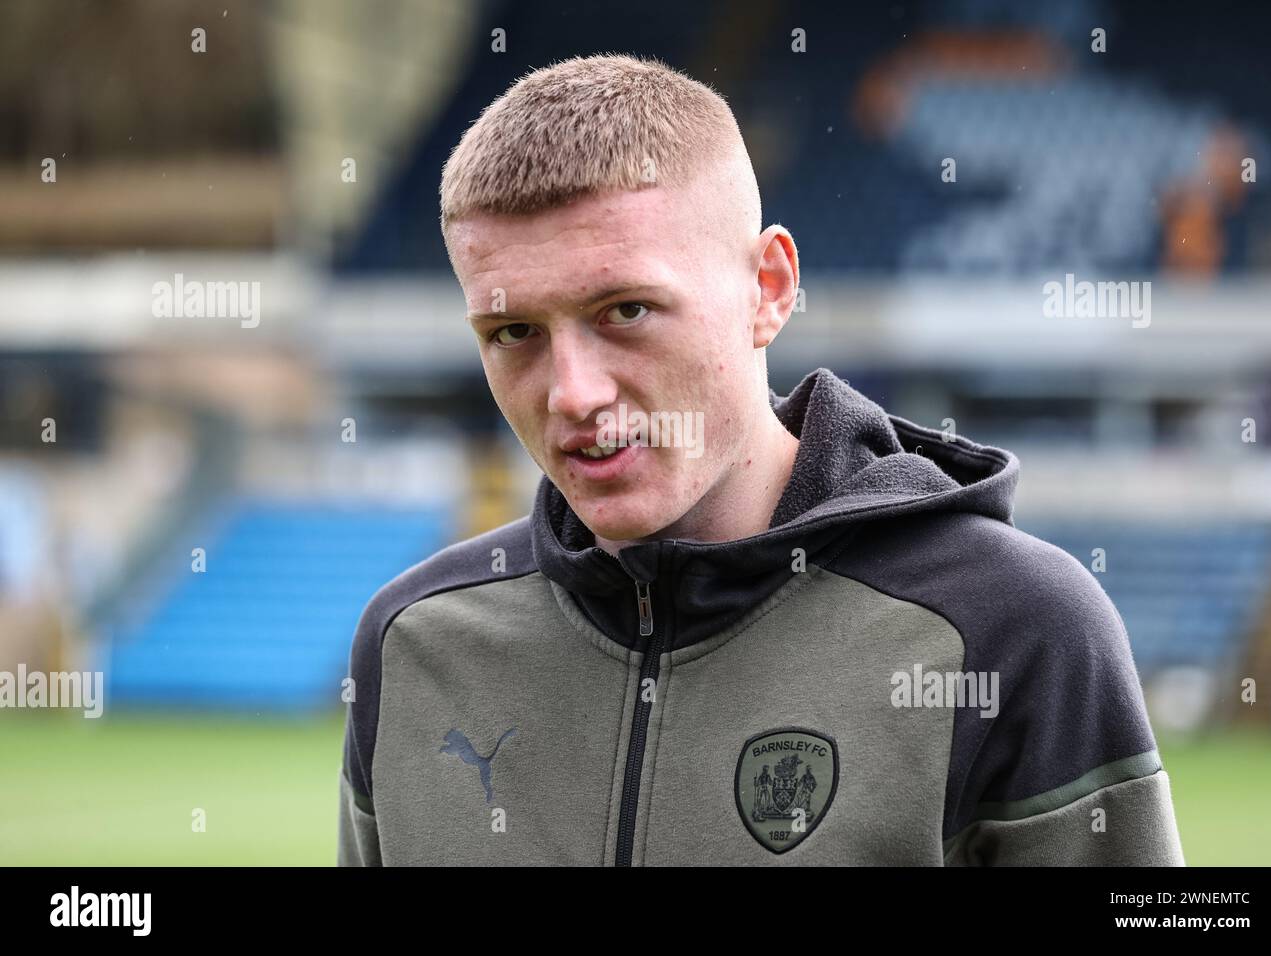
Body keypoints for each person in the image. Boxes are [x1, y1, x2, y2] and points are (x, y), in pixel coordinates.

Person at [338, 53, 1184, 866]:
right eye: (512, 332)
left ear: (769, 287)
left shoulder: (1013, 630)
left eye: (626, 309)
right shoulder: (413, 644)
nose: (572, 395)